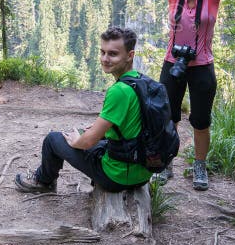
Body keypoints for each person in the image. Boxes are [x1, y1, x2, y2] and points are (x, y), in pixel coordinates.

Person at [13, 26, 153, 193]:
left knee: (53, 140)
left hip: (118, 177)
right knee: (84, 132)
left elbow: (87, 142)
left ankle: (43, 182)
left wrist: (76, 141)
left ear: (130, 56)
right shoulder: (141, 81)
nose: (105, 58)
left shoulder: (119, 91)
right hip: (143, 171)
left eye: (113, 54)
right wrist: (92, 132)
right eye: (103, 52)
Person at [158, 0, 225, 190]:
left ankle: (199, 167)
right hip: (173, 62)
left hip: (201, 66)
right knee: (168, 116)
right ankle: (166, 163)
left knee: (200, 120)